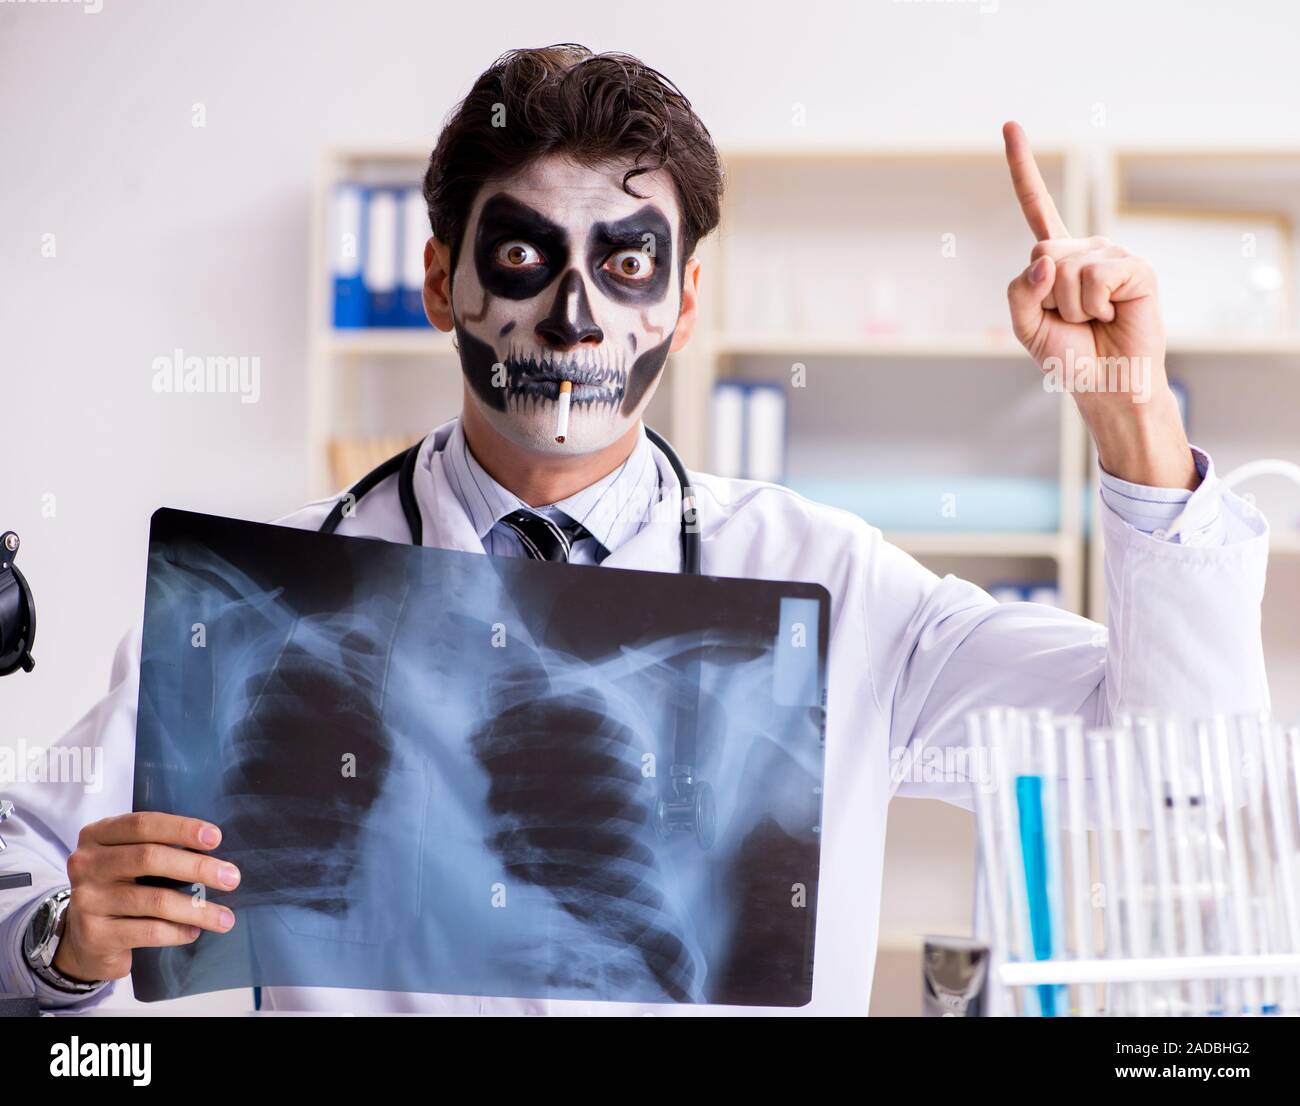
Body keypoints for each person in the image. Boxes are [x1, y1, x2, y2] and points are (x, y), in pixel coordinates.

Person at [0, 44, 1268, 1016]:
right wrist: (66, 943)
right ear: (439, 278)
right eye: (522, 257)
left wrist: (1130, 420)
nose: (573, 316)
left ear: (685, 298)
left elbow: (1175, 773)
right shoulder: (259, 595)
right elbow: (25, 866)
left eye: (624, 262)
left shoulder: (830, 582)